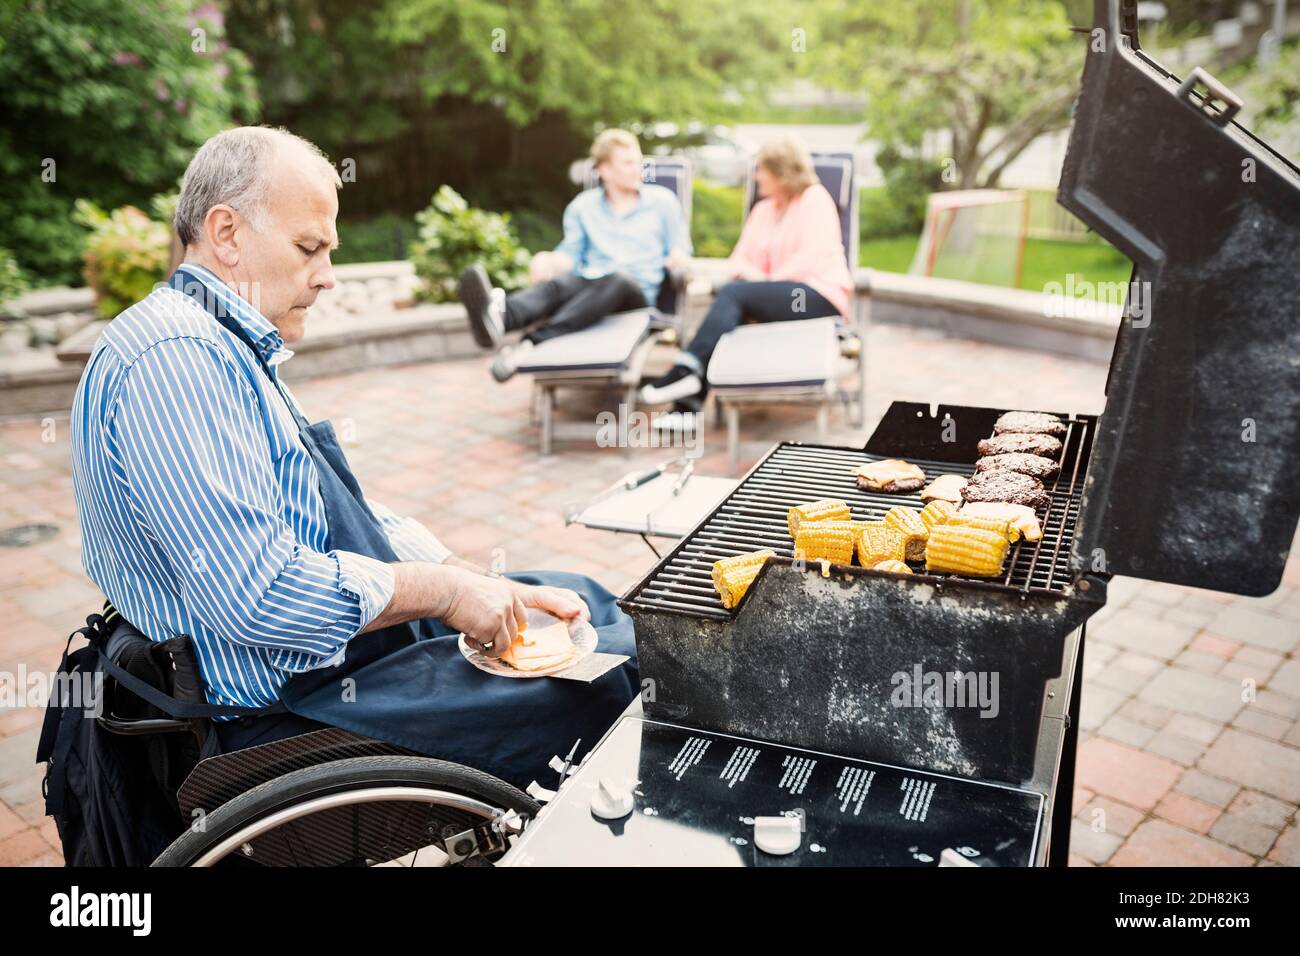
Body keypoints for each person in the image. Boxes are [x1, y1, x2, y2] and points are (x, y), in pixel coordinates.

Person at [67, 126, 639, 790]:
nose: (328, 277)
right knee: (609, 679)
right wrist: (448, 593)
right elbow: (259, 596)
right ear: (225, 233)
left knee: (593, 608)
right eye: (309, 248)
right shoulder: (179, 360)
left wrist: (466, 577)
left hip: (324, 657)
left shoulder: (214, 338)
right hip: (281, 706)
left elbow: (325, 511)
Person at [640, 138, 853, 419]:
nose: (756, 176)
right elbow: (739, 259)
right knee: (731, 309)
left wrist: (764, 280)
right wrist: (758, 282)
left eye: (762, 169)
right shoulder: (763, 210)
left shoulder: (815, 199)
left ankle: (685, 371)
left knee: (734, 295)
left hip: (813, 298)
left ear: (782, 171)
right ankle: (686, 408)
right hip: (776, 298)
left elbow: (810, 258)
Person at [458, 128, 691, 382]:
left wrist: (679, 259)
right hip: (589, 289)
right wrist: (547, 260)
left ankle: (533, 341)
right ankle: (501, 317)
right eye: (628, 163)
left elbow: (680, 248)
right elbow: (570, 255)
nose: (638, 169)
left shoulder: (663, 202)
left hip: (635, 295)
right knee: (561, 284)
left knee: (616, 279)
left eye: (638, 161)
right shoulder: (582, 206)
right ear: (604, 170)